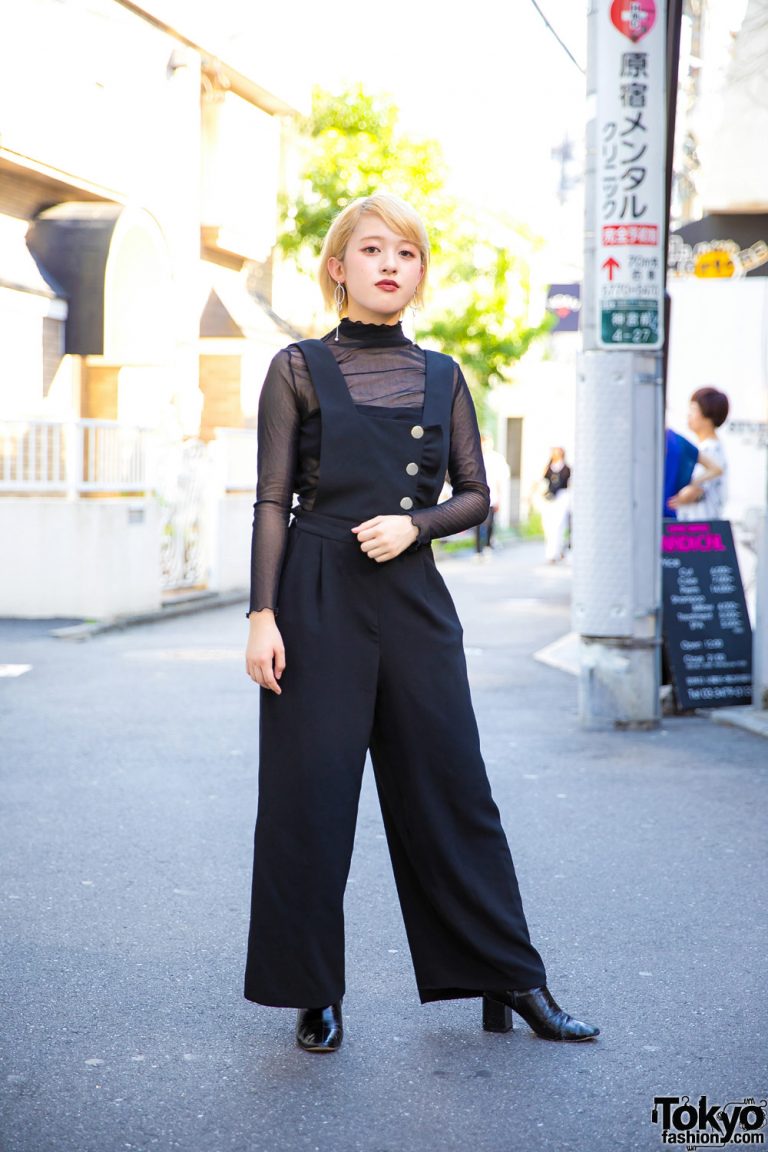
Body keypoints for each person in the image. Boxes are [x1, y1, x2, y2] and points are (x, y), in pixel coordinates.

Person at [243, 193, 599, 1053]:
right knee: (309, 799)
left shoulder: (443, 376)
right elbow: (271, 499)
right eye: (373, 250)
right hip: (315, 593)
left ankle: (510, 976)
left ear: (420, 273)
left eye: (406, 253)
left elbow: (478, 495)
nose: (391, 265)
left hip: (413, 600)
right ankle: (313, 992)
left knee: (453, 789)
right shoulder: (296, 367)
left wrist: (417, 526)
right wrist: (262, 615)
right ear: (339, 268)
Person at [669, 387, 729, 520]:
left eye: (693, 409)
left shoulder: (709, 449)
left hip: (700, 526)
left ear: (708, 415)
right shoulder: (714, 447)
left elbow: (692, 492)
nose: (688, 415)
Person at [474, 434, 510, 555]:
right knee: (477, 523)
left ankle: (488, 545)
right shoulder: (475, 456)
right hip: (477, 494)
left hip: (492, 495)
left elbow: (501, 479)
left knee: (489, 522)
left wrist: (499, 497)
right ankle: (478, 549)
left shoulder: (497, 458)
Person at [540, 447, 571, 563]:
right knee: (548, 526)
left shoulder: (566, 469)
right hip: (549, 499)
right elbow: (541, 481)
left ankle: (555, 553)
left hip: (561, 498)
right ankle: (552, 551)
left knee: (558, 525)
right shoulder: (548, 468)